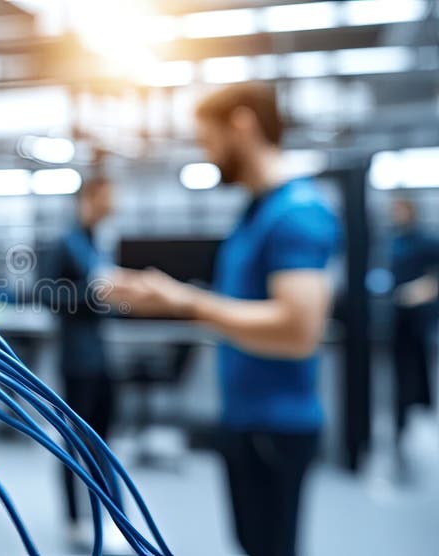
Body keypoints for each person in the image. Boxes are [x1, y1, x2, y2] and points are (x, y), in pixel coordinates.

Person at [106, 83, 340, 556]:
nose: (206, 153)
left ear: (242, 124)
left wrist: (184, 302)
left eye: (207, 138)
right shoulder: (257, 211)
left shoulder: (298, 212)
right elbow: (242, 306)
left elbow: (298, 331)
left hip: (276, 427)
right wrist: (170, 298)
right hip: (245, 419)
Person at [37, 176, 119, 550]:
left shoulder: (96, 242)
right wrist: (93, 293)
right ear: (89, 197)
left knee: (103, 445)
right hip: (77, 361)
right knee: (75, 444)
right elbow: (47, 292)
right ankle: (74, 520)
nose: (113, 203)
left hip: (102, 359)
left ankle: (112, 517)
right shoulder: (65, 243)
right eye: (107, 196)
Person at [389, 197, 439, 480]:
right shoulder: (393, 240)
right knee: (398, 377)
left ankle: (411, 419)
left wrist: (427, 289)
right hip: (395, 319)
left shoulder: (426, 240)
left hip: (417, 321)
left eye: (399, 210)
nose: (395, 215)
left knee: (414, 375)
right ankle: (400, 423)